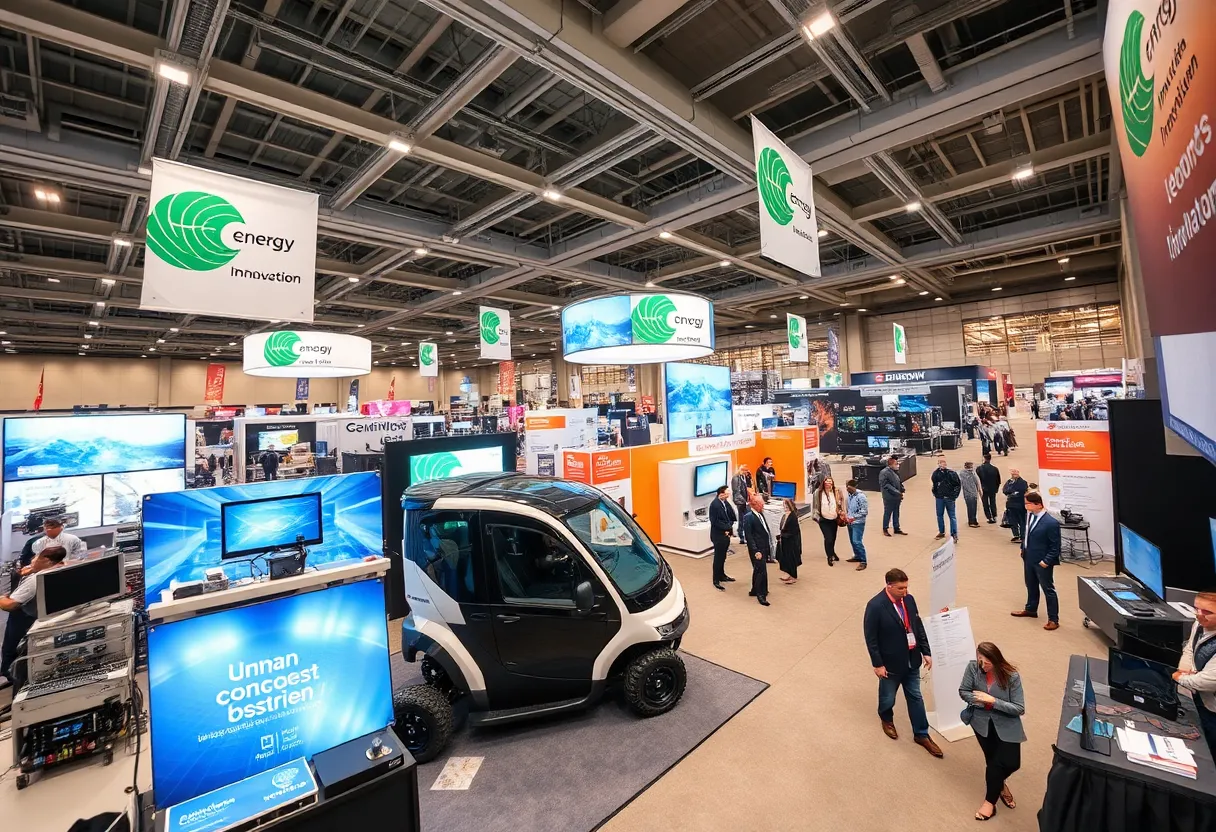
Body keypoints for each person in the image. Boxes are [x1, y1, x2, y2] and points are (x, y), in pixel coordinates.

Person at [863, 568, 943, 757]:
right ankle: (886, 718)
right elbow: (871, 638)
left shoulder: (909, 599)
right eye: (900, 588)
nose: (905, 592)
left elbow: (917, 625)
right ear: (889, 586)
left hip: (912, 659)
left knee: (916, 697)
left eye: (906, 587)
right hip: (890, 665)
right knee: (888, 697)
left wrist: (926, 651)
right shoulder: (875, 606)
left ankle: (922, 734)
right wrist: (878, 664)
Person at [959, 642, 1026, 820]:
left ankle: (998, 783)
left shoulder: (1011, 676)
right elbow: (963, 691)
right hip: (980, 721)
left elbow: (1019, 708)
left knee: (1012, 763)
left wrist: (992, 701)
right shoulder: (973, 668)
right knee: (994, 761)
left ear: (996, 659)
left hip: (1006, 722)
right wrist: (978, 699)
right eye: (981, 660)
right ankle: (990, 802)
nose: (983, 665)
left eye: (987, 662)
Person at [0, 545, 68, 688]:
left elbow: (10, 605)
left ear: (47, 560)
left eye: (36, 557)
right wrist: (33, 569)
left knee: (12, 649)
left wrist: (1, 598)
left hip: (26, 618)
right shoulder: (61, 567)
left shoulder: (35, 580)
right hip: (47, 617)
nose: (32, 559)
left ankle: (12, 678)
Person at [1173, 590, 1216, 761]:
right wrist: (1184, 669)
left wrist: (1179, 678)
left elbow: (1208, 681)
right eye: (1197, 609)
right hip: (1197, 696)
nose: (1199, 615)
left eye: (1207, 612)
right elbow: (1190, 649)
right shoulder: (1199, 625)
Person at [1010, 493, 1060, 630]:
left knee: (1048, 589)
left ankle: (1053, 619)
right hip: (1028, 557)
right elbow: (1027, 534)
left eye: (1028, 504)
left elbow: (1055, 547)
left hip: (1042, 561)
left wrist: (1046, 561)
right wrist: (1022, 548)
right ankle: (1031, 609)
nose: (1025, 506)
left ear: (1038, 504)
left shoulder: (1051, 523)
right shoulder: (1030, 516)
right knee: (1030, 585)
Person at [741, 494, 772, 606]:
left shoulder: (760, 514)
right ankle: (761, 594)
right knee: (761, 571)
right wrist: (755, 551)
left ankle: (755, 590)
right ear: (755, 504)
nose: (763, 506)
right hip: (757, 550)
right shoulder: (748, 517)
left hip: (763, 547)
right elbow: (749, 537)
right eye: (762, 504)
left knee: (759, 570)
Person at [708, 485, 737, 592]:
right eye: (727, 493)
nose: (729, 494)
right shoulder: (714, 505)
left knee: (723, 556)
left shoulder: (724, 502)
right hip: (718, 536)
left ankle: (722, 575)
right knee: (718, 558)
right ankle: (716, 579)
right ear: (721, 494)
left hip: (726, 534)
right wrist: (727, 527)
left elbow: (731, 515)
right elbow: (715, 522)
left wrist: (729, 526)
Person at [811, 476, 845, 566]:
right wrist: (816, 517)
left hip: (834, 519)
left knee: (833, 538)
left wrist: (842, 512)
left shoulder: (836, 492)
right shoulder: (818, 493)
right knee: (828, 538)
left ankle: (832, 552)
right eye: (827, 482)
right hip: (823, 520)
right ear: (824, 483)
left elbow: (841, 502)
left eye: (830, 482)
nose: (828, 484)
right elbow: (814, 506)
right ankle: (829, 557)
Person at [931, 458, 961, 542]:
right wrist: (935, 493)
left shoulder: (952, 474)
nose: (942, 464)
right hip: (939, 498)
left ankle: (954, 533)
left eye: (944, 463)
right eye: (940, 463)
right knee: (939, 515)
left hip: (949, 498)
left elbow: (957, 485)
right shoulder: (936, 474)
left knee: (952, 516)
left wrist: (954, 496)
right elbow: (934, 483)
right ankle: (941, 532)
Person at [879, 456, 907, 537]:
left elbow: (898, 481)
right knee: (888, 513)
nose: (898, 465)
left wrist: (901, 489)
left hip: (897, 497)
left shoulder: (895, 472)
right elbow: (886, 485)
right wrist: (897, 492)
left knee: (896, 513)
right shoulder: (884, 473)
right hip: (889, 497)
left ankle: (897, 528)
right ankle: (885, 528)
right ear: (891, 465)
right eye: (896, 464)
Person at [844, 479, 869, 571]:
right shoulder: (850, 496)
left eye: (848, 487)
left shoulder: (861, 497)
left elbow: (864, 511)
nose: (846, 488)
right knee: (852, 541)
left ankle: (863, 561)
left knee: (857, 541)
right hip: (850, 522)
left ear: (853, 487)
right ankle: (857, 556)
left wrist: (854, 517)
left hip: (858, 523)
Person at [776, 498, 802, 584]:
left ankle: (793, 576)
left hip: (791, 541)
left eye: (786, 506)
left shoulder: (793, 516)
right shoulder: (785, 515)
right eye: (784, 505)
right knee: (785, 557)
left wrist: (783, 535)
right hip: (785, 540)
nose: (785, 507)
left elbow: (793, 531)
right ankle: (787, 573)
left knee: (791, 558)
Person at [1003, 468, 1028, 543]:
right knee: (1013, 521)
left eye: (1015, 474)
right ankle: (1016, 535)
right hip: (1011, 505)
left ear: (1018, 474)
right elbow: (1005, 490)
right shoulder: (1009, 482)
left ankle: (1022, 536)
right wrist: (1013, 492)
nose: (1014, 475)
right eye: (1012, 474)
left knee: (1021, 521)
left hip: (1020, 505)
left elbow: (1022, 490)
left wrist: (1011, 492)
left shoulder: (1023, 482)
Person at [976, 453, 1001, 525]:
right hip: (992, 489)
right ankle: (994, 516)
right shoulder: (995, 469)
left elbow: (977, 480)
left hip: (983, 489)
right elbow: (998, 480)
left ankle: (989, 517)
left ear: (984, 459)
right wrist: (996, 489)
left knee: (985, 503)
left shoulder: (979, 469)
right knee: (993, 502)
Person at [730, 464, 752, 543]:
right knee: (742, 519)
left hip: (744, 501)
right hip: (740, 502)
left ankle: (743, 535)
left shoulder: (742, 477)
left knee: (744, 518)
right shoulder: (735, 478)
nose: (747, 472)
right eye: (745, 471)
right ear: (741, 470)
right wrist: (744, 501)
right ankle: (741, 536)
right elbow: (736, 492)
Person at [960, 461, 980, 529]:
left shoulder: (962, 473)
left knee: (972, 507)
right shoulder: (971, 474)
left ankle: (974, 520)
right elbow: (977, 483)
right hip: (971, 493)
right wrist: (980, 492)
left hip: (970, 493)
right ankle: (971, 521)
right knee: (972, 508)